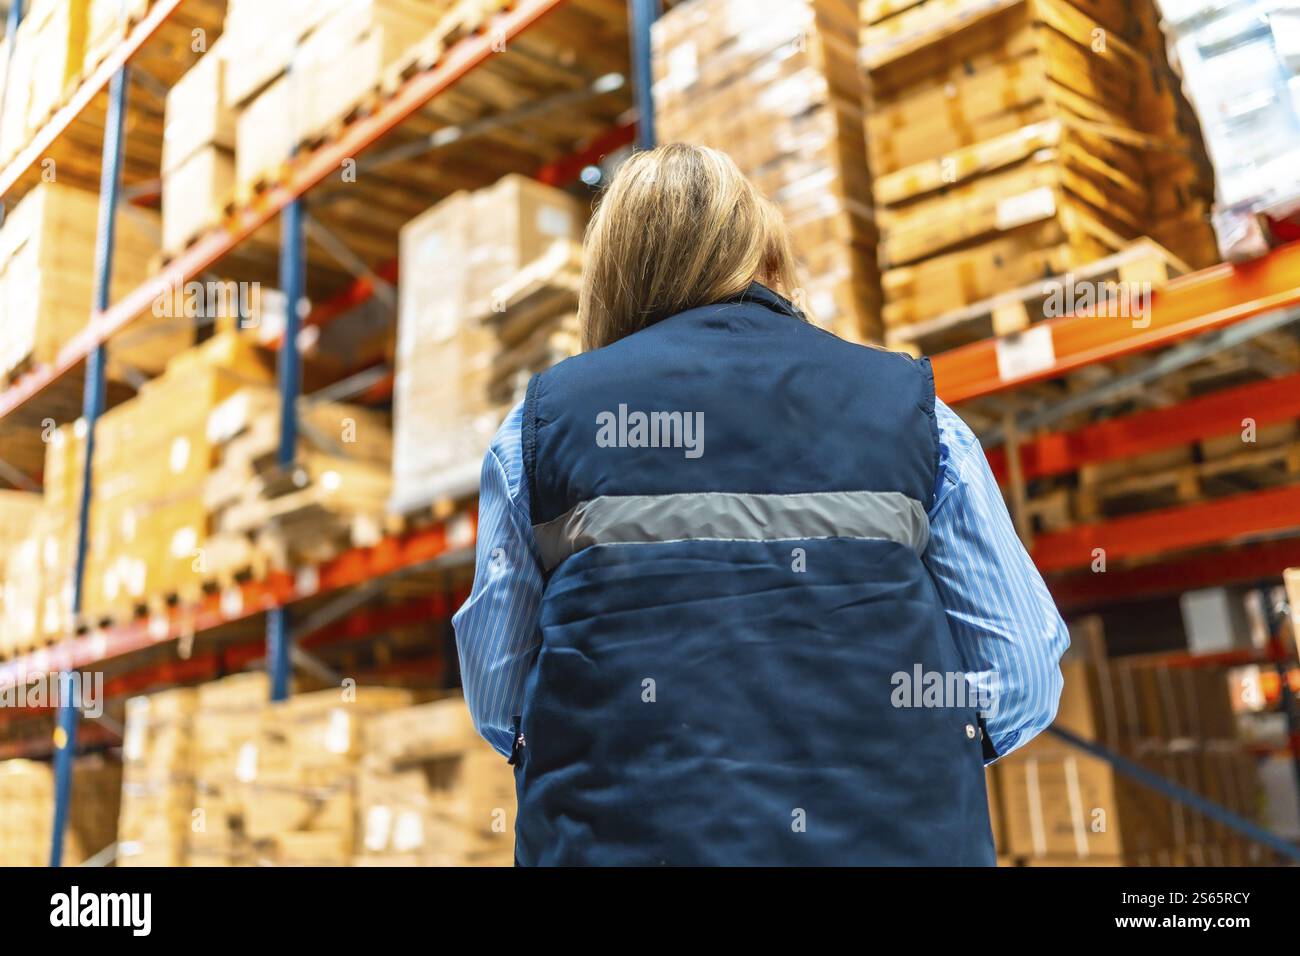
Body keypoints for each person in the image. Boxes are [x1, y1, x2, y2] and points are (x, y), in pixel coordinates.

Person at [453, 144, 1067, 866]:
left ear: (610, 277)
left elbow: (499, 700)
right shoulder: (914, 412)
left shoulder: (539, 427)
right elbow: (1022, 672)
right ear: (762, 256)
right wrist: (913, 754)